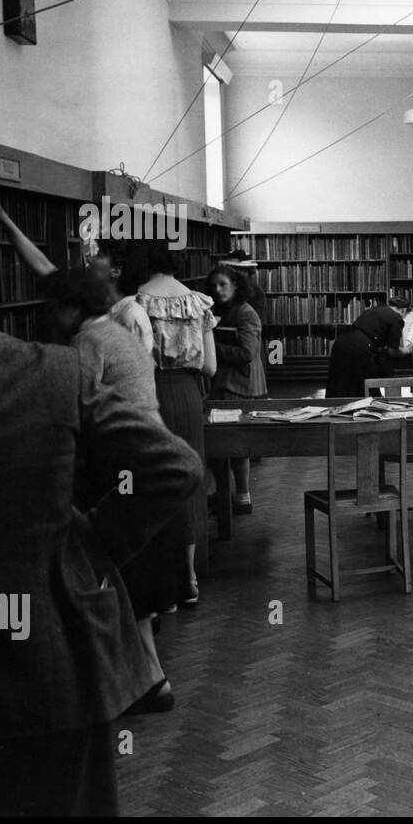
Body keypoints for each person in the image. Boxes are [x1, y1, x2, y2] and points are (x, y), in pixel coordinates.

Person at [0, 190, 202, 815]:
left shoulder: (76, 351)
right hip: (43, 665)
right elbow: (171, 465)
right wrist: (89, 544)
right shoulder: (50, 372)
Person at [44, 265, 179, 714]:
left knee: (107, 563)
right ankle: (149, 675)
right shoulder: (120, 331)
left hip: (120, 459)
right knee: (131, 567)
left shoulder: (87, 343)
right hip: (153, 452)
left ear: (70, 307)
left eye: (54, 307)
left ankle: (141, 678)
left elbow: (79, 407)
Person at [135, 242, 217, 608]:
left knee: (154, 483)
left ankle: (161, 582)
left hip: (150, 394)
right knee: (189, 479)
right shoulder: (198, 302)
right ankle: (190, 577)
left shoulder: (136, 303)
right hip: (187, 394)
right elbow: (211, 367)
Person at [0, 193, 153, 355]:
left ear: (115, 271)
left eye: (100, 255)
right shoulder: (88, 298)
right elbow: (43, 266)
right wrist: (3, 219)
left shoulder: (132, 315)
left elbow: (136, 374)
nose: (90, 258)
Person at [207, 264, 268, 514]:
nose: (218, 290)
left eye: (223, 284)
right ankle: (227, 495)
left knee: (234, 444)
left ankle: (242, 496)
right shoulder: (222, 311)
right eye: (214, 286)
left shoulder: (245, 313)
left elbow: (247, 353)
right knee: (224, 444)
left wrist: (210, 347)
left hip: (239, 387)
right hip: (226, 385)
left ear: (235, 285)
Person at [326, 295, 411, 396]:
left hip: (341, 342)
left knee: (340, 382)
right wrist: (408, 349)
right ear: (403, 310)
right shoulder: (396, 318)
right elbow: (393, 351)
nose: (403, 317)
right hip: (360, 348)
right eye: (405, 315)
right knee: (366, 385)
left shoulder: (375, 310)